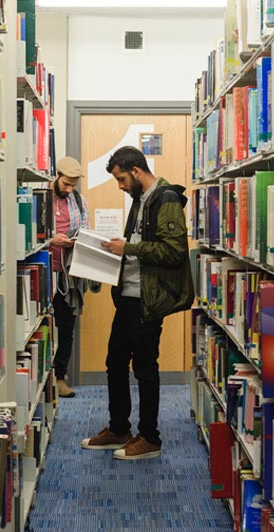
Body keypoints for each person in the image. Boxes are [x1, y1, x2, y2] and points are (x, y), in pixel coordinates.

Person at [80, 146, 194, 460]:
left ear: (136, 170)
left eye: (120, 179)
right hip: (128, 296)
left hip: (148, 300)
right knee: (115, 363)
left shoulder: (165, 199)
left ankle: (149, 438)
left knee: (145, 368)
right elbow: (140, 246)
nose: (119, 185)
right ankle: (119, 428)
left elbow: (174, 252)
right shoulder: (139, 199)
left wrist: (128, 248)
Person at [49, 156, 95, 399]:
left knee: (66, 326)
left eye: (73, 185)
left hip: (69, 274)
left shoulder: (78, 201)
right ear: (56, 176)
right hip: (45, 271)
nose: (69, 189)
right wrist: (50, 240)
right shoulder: (41, 198)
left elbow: (85, 229)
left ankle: (59, 378)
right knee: (47, 325)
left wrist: (79, 240)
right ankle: (43, 375)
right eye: (66, 184)